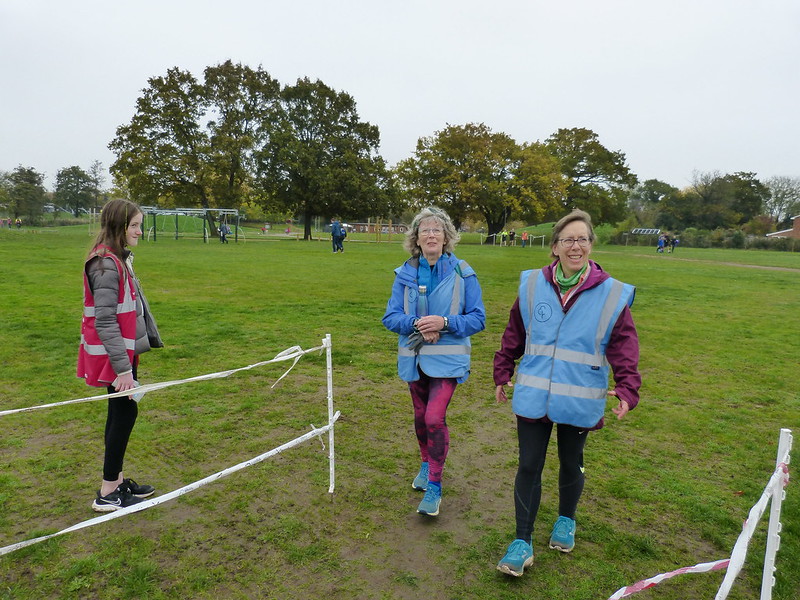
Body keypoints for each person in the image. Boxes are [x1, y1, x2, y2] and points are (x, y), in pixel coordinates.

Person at [494, 209, 641, 576]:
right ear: (555, 247)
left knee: (570, 462)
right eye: (567, 239)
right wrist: (502, 368)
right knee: (529, 464)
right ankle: (522, 541)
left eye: (582, 239)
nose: (575, 246)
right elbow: (515, 331)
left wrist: (627, 386)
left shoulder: (612, 293)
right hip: (532, 394)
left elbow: (624, 345)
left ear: (591, 245)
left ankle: (565, 519)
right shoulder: (531, 285)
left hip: (579, 396)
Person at [382, 206, 486, 517]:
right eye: (425, 230)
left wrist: (444, 322)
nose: (431, 234)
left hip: (448, 361)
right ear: (416, 237)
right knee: (418, 417)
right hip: (414, 359)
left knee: (434, 419)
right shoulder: (404, 274)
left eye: (436, 230)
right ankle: (426, 463)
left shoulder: (463, 273)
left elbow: (478, 318)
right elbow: (390, 317)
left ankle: (436, 487)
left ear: (446, 237)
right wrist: (416, 324)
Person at [77, 199, 164, 512]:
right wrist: (123, 370)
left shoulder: (117, 259)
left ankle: (116, 482)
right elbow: (104, 320)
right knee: (125, 413)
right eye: (134, 226)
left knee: (121, 413)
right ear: (118, 227)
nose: (140, 231)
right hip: (113, 358)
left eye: (140, 225)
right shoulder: (104, 264)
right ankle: (107, 490)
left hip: (123, 354)